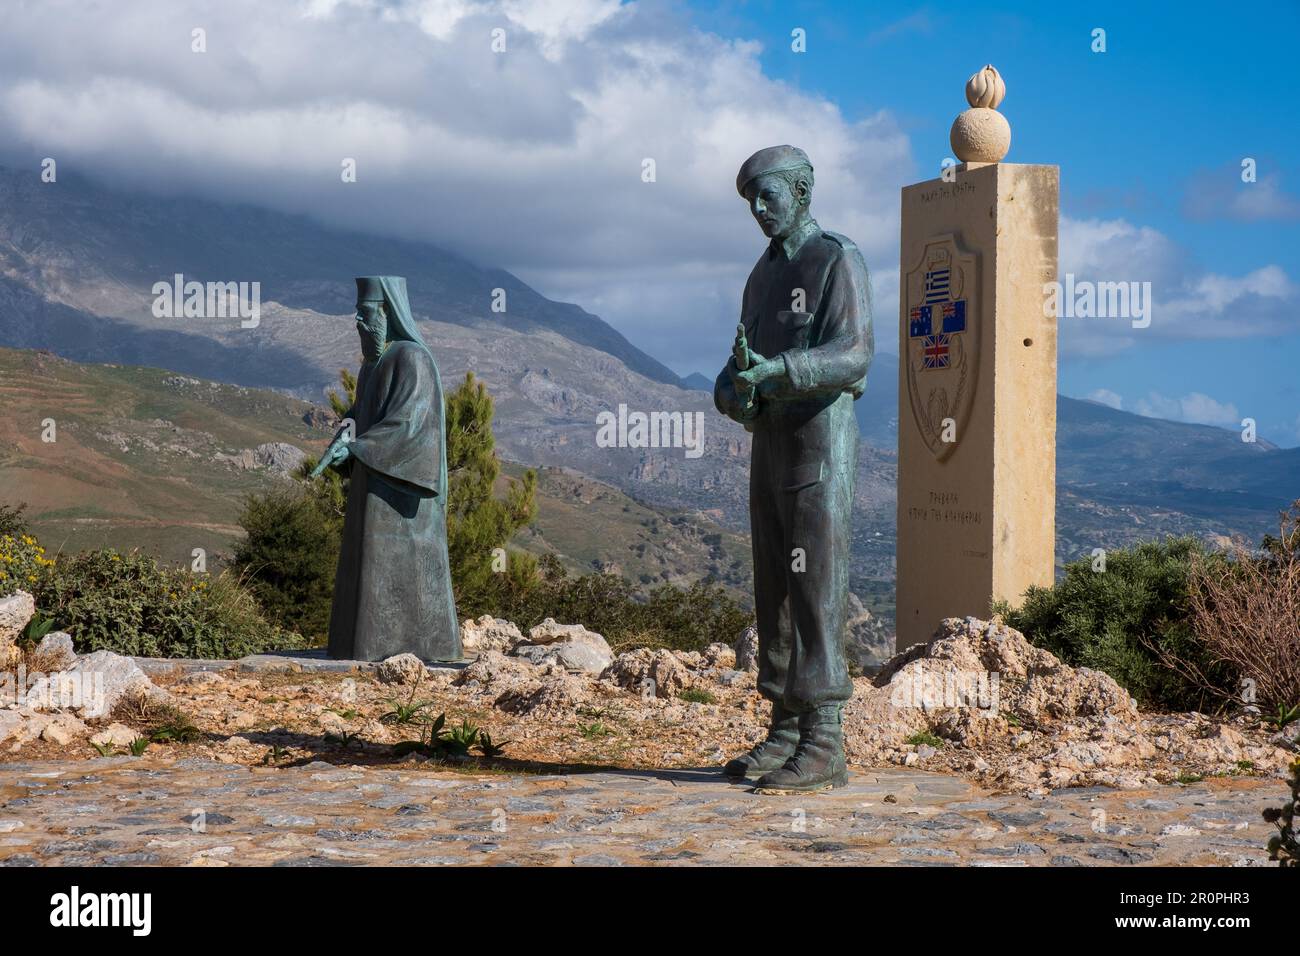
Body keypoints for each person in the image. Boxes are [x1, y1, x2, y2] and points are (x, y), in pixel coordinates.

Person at [714, 146, 874, 792]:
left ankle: (825, 740)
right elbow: (738, 369)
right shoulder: (759, 280)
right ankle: (785, 727)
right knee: (774, 589)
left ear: (803, 190)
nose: (757, 209)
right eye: (749, 199)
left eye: (768, 195)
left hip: (819, 446)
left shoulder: (837, 259)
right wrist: (736, 390)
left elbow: (856, 355)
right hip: (770, 445)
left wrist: (780, 373)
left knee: (814, 588)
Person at [319, 275, 460, 662]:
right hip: (373, 485)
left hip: (401, 494)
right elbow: (359, 415)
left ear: (388, 312)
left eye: (366, 315)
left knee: (404, 575)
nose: (360, 325)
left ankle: (417, 649)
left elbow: (409, 425)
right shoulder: (371, 367)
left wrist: (357, 449)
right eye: (356, 318)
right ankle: (360, 646)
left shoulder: (411, 358)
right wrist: (343, 436)